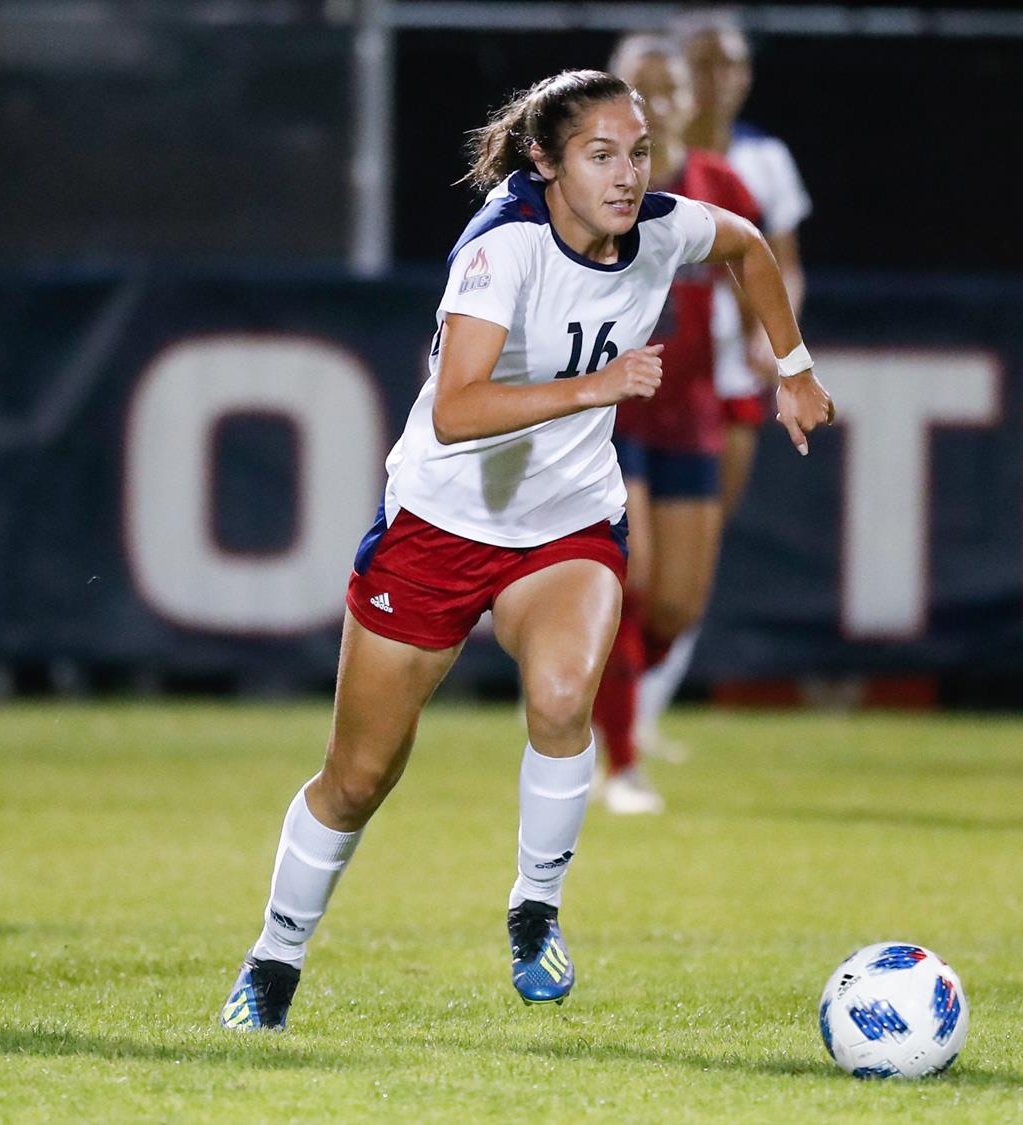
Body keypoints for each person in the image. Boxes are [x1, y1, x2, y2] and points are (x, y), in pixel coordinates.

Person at [218, 67, 831, 1029]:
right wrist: (595, 387)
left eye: (637, 153)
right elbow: (459, 410)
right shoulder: (503, 251)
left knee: (559, 696)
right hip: (437, 525)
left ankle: (535, 908)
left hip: (567, 523)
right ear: (545, 162)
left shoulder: (661, 229)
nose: (628, 176)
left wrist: (793, 369)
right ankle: (274, 958)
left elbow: (750, 247)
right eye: (601, 156)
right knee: (359, 776)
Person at [631, 10, 816, 757]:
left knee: (688, 569)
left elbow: (783, 262)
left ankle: (636, 710)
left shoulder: (759, 162)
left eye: (732, 64)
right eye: (704, 64)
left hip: (722, 381)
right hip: (636, 386)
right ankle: (603, 713)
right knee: (631, 563)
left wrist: (777, 342)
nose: (720, 80)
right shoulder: (628, 152)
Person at [589, 34, 763, 815]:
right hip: (611, 408)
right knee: (637, 578)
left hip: (690, 412)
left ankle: (602, 701)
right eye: (640, 90)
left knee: (679, 607)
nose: (656, 106)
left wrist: (777, 348)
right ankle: (618, 762)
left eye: (669, 93)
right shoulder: (589, 185)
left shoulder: (721, 183)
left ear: (690, 102)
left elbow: (756, 268)